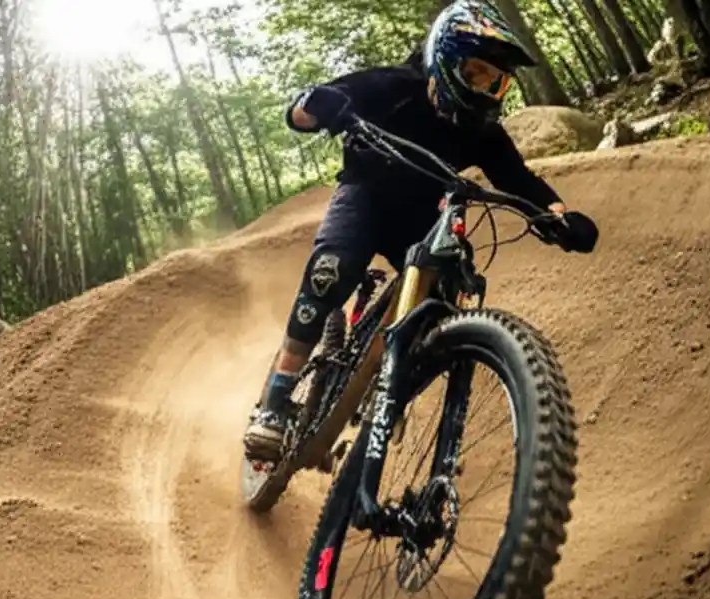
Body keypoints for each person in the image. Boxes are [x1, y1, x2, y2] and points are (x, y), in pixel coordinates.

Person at [243, 0, 600, 461]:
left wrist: (558, 217)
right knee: (331, 272)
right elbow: (302, 113)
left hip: (421, 220)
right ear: (445, 59)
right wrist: (315, 105)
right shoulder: (391, 86)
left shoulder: (483, 131)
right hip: (365, 196)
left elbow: (519, 179)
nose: (484, 88)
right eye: (475, 73)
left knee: (449, 289)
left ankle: (391, 387)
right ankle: (275, 402)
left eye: (495, 81)